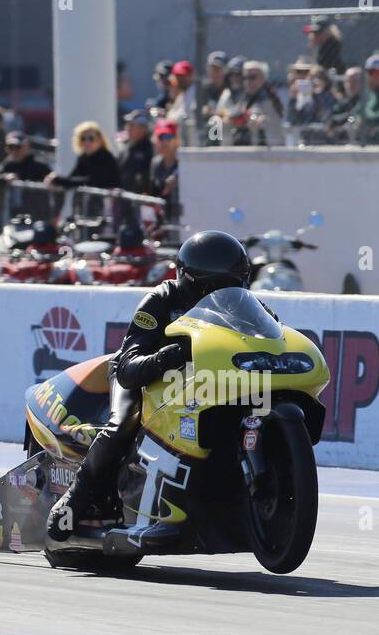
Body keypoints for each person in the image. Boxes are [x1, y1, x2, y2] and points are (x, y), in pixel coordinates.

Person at [46, 231, 254, 540]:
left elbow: (269, 335)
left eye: (225, 286)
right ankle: (74, 502)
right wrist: (168, 356)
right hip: (147, 377)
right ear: (187, 279)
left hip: (207, 383)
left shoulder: (247, 306)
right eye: (208, 286)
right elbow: (129, 365)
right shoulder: (162, 298)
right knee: (122, 424)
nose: (216, 293)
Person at [221, 61, 286, 145]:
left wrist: (262, 120)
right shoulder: (244, 96)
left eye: (252, 77)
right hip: (247, 145)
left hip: (268, 148)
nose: (248, 81)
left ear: (263, 78)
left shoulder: (270, 96)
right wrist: (231, 118)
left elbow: (276, 117)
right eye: (245, 78)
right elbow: (237, 112)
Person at [47, 121, 120, 189]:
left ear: (100, 140)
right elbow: (74, 178)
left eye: (91, 138)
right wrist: (56, 179)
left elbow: (92, 182)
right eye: (83, 139)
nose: (86, 142)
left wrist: (59, 181)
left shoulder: (105, 158)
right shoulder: (83, 157)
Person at [0, 131, 55, 219]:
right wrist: (4, 177)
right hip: (14, 216)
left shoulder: (39, 163)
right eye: (10, 147)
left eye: (17, 147)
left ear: (27, 147)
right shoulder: (8, 164)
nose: (14, 151)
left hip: (38, 215)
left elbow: (53, 179)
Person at [149, 119, 181, 224]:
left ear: (176, 139)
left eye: (168, 137)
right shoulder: (155, 163)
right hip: (161, 221)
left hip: (181, 219)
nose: (164, 142)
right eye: (160, 137)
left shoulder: (184, 163)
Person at [118, 110, 155, 195]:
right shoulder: (127, 147)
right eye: (128, 125)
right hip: (124, 198)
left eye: (132, 125)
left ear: (143, 129)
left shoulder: (150, 149)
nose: (128, 128)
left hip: (140, 200)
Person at [165, 60, 199, 144]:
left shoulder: (196, 93)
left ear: (191, 75)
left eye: (183, 76)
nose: (180, 79)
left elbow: (184, 116)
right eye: (177, 76)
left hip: (194, 141)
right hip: (184, 140)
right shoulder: (183, 94)